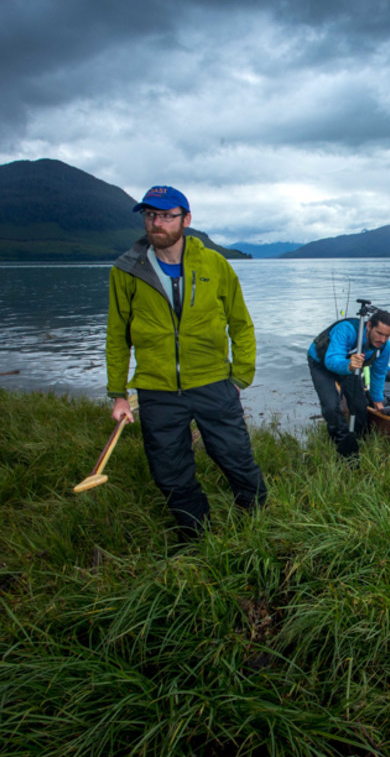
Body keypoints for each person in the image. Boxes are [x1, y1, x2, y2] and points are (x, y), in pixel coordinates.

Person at [105, 185, 268, 540]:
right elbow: (117, 335)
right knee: (170, 473)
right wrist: (118, 393)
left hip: (213, 382)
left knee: (237, 459)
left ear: (186, 220)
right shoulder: (127, 270)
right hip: (156, 388)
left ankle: (257, 525)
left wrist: (240, 376)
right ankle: (196, 537)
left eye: (166, 216)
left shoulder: (215, 265)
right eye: (150, 215)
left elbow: (241, 323)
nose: (157, 223)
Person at [307, 308, 390, 459]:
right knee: (331, 406)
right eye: (379, 333)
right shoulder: (346, 330)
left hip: (349, 367)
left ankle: (359, 440)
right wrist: (349, 366)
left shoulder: (384, 347)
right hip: (321, 363)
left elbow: (378, 374)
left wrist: (377, 400)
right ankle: (343, 447)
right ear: (369, 326)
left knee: (360, 405)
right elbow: (331, 360)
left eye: (387, 335)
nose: (383, 340)